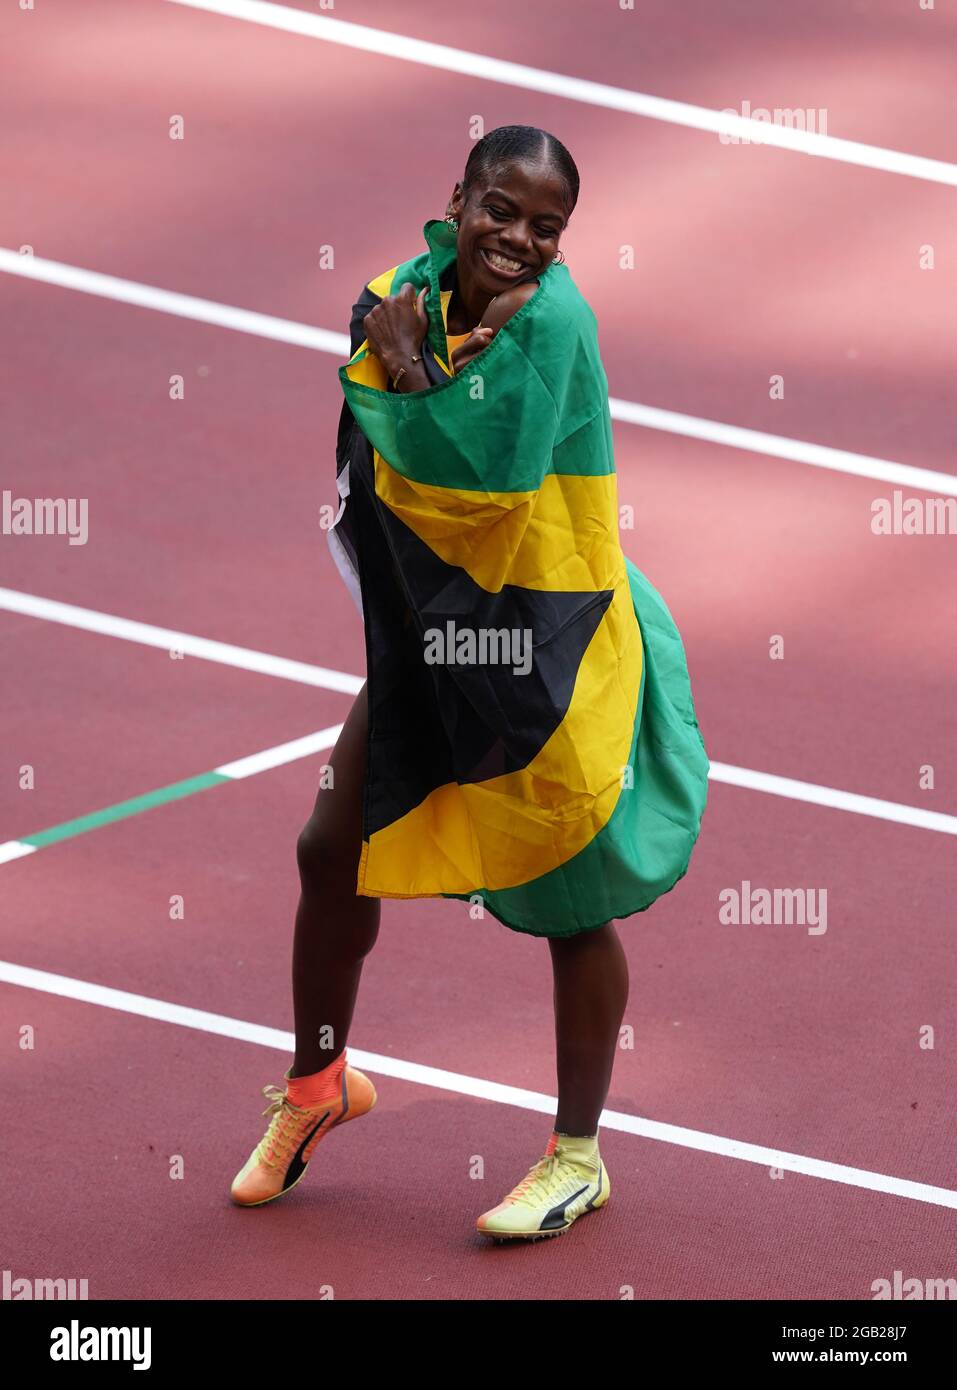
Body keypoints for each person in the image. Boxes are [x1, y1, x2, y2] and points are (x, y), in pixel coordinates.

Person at [230, 125, 709, 1242]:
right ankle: (316, 1087)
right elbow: (367, 403)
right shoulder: (407, 286)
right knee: (328, 845)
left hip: (547, 641)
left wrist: (407, 369)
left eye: (548, 227)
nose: (520, 239)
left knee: (569, 904)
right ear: (460, 199)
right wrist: (386, 350)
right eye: (502, 210)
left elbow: (484, 489)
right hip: (442, 634)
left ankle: (576, 1157)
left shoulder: (556, 324)